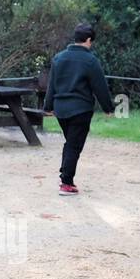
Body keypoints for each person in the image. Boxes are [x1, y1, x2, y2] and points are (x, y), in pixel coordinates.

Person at [43, 22, 115, 196]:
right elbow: (100, 87)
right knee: (74, 145)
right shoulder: (90, 60)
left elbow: (51, 84)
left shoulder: (59, 58)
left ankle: (65, 176)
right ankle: (66, 182)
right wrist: (108, 108)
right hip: (80, 109)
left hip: (61, 109)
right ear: (89, 40)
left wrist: (48, 106)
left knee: (71, 144)